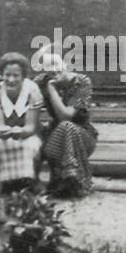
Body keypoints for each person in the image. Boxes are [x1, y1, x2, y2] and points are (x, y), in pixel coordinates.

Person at [34, 51, 99, 197]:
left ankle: (74, 179)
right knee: (37, 134)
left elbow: (66, 116)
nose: (54, 71)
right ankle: (32, 180)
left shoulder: (81, 81)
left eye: (57, 66)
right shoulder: (41, 81)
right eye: (49, 69)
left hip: (82, 136)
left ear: (65, 65)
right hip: (54, 136)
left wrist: (51, 90)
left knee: (66, 126)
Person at [0, 52, 44, 196]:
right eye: (7, 75)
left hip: (28, 131)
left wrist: (21, 132)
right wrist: (3, 131)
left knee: (31, 146)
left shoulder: (32, 90)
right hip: (1, 130)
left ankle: (31, 179)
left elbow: (30, 127)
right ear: (1, 75)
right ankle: (0, 178)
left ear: (23, 76)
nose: (11, 79)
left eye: (16, 75)